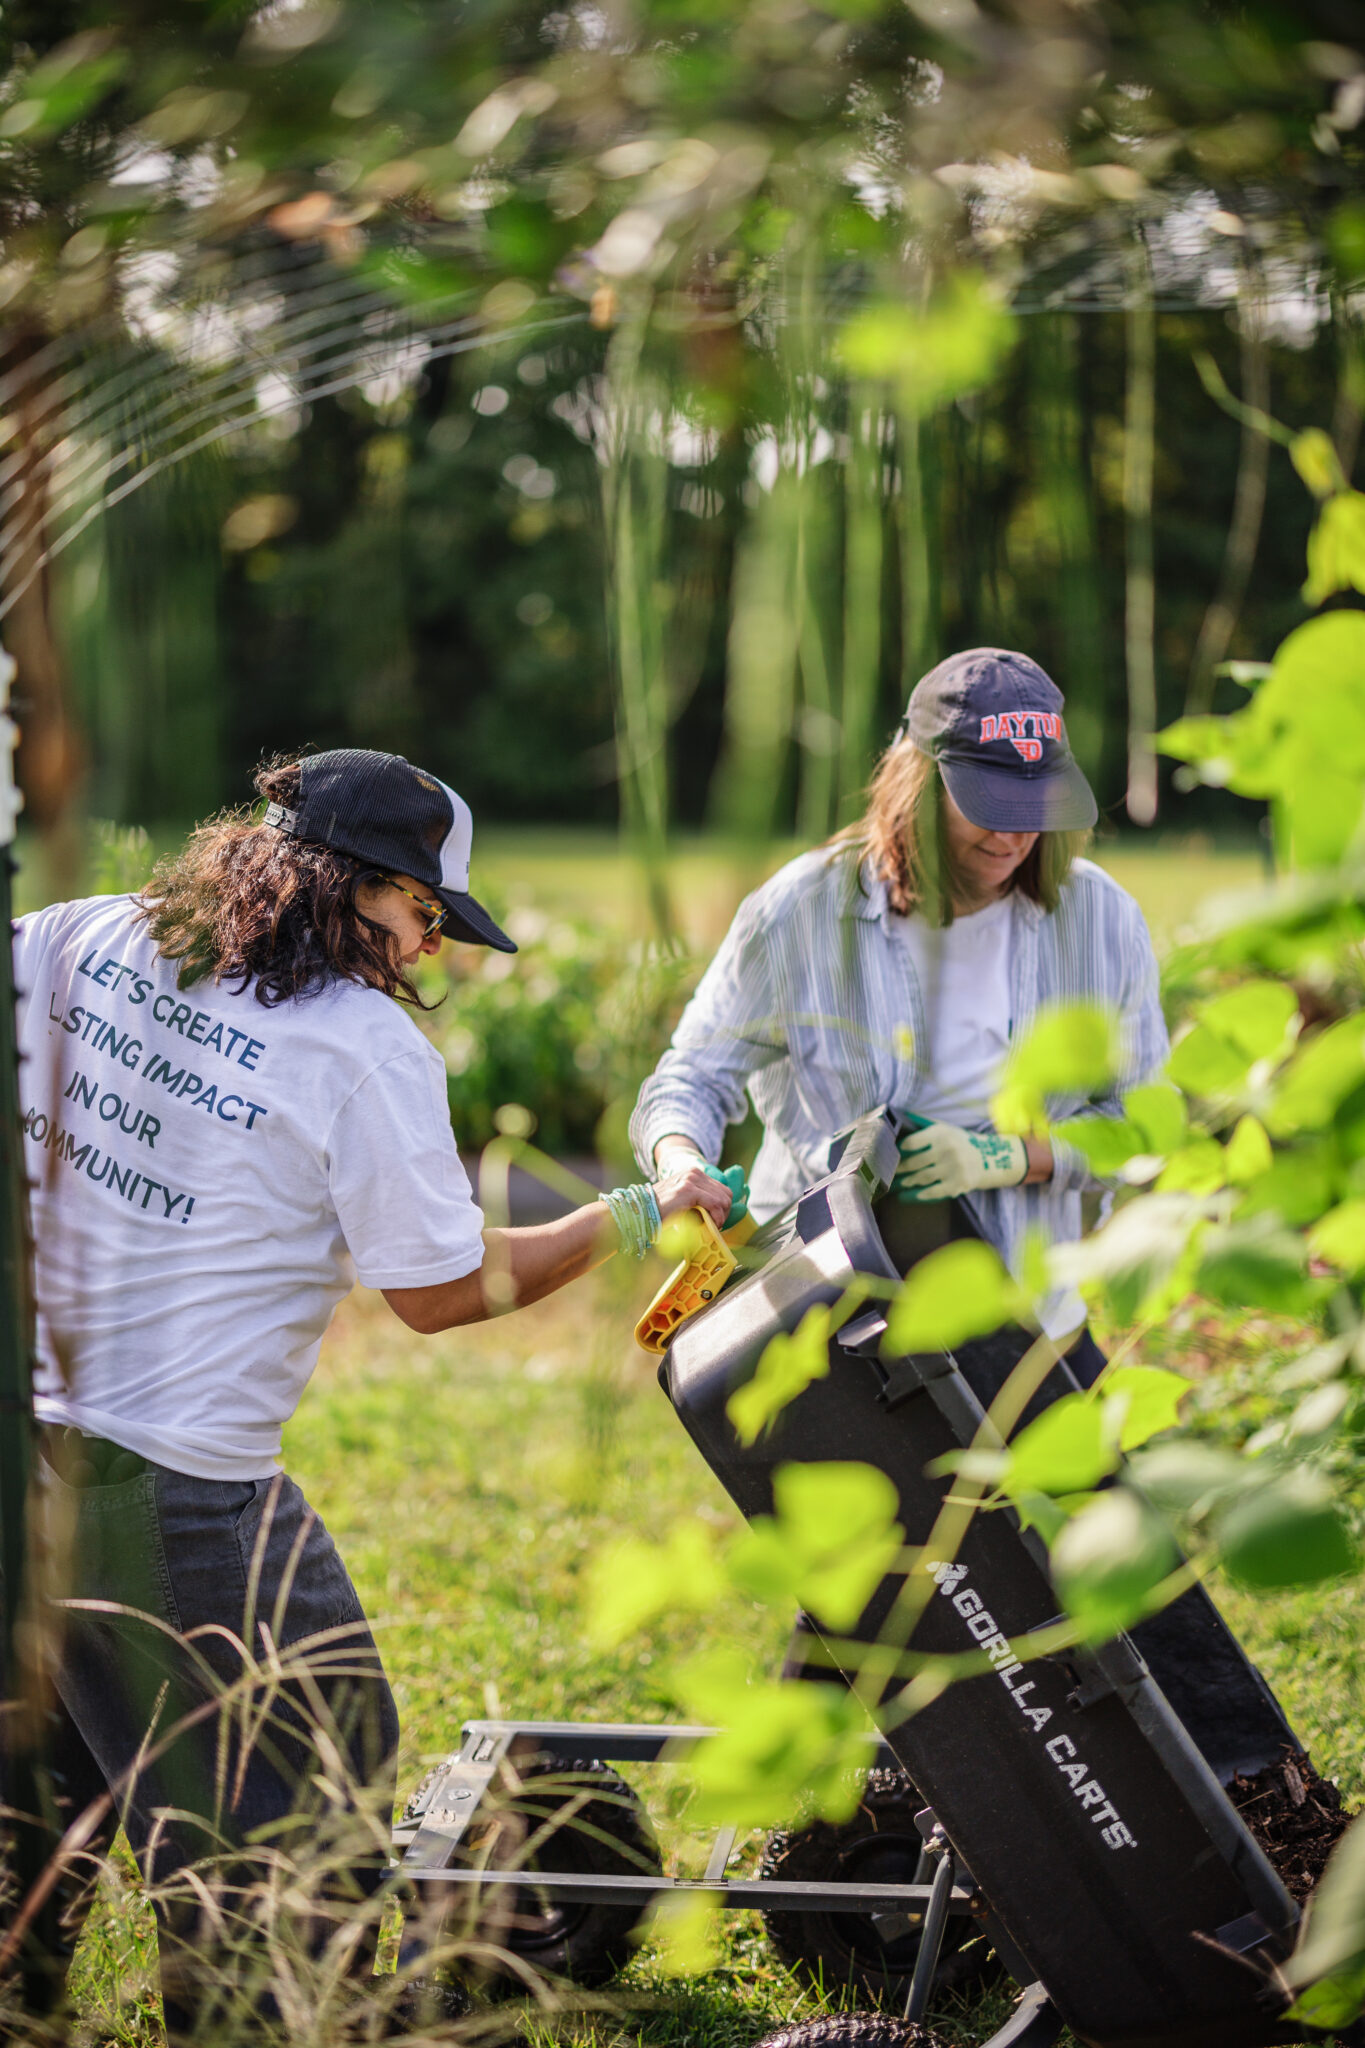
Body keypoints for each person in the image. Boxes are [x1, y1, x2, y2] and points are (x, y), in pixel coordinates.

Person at [16, 748, 730, 2036]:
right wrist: (629, 1213)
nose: (433, 950)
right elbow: (445, 1288)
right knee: (270, 1826)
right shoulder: (361, 1046)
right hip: (161, 1476)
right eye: (426, 916)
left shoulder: (83, 930)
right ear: (355, 885)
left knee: (103, 1738)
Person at [632, 646, 1169, 1374]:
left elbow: (1143, 1125)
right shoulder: (803, 913)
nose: (1014, 836)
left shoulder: (1099, 921)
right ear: (915, 784)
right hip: (830, 1323)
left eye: (1034, 807)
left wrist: (1008, 1158)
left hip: (1025, 1321)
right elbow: (693, 1074)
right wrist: (679, 1164)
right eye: (986, 807)